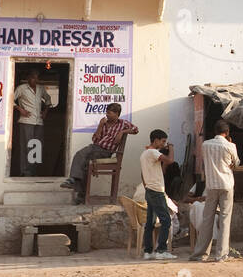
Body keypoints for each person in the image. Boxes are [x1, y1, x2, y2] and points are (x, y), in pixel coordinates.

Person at [62, 103, 138, 205]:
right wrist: (100, 125)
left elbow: (135, 129)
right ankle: (73, 181)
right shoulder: (104, 124)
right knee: (80, 155)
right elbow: (95, 139)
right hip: (95, 147)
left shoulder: (122, 123)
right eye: (106, 112)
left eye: (109, 113)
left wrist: (123, 132)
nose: (106, 114)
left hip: (105, 152)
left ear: (116, 114)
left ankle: (78, 191)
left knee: (85, 161)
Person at [191, 120, 240, 262]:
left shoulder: (205, 144)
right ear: (227, 132)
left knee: (207, 219)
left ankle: (200, 254)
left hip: (211, 186)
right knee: (225, 219)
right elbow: (236, 163)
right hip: (226, 185)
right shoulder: (230, 145)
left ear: (214, 131)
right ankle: (221, 255)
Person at [137, 129, 176, 260]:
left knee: (150, 223)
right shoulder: (153, 152)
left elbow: (146, 173)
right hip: (156, 191)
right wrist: (171, 147)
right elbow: (170, 161)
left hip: (149, 190)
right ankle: (161, 250)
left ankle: (148, 251)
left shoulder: (145, 154)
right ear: (156, 140)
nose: (164, 144)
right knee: (166, 220)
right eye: (163, 141)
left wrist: (148, 186)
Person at [13, 69, 52, 178]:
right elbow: (10, 99)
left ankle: (34, 171)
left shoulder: (40, 89)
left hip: (38, 122)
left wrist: (45, 112)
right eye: (33, 77)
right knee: (27, 146)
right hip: (26, 121)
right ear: (28, 78)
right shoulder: (21, 88)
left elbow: (48, 99)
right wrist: (20, 109)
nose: (35, 80)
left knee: (37, 147)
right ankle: (25, 171)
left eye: (36, 77)